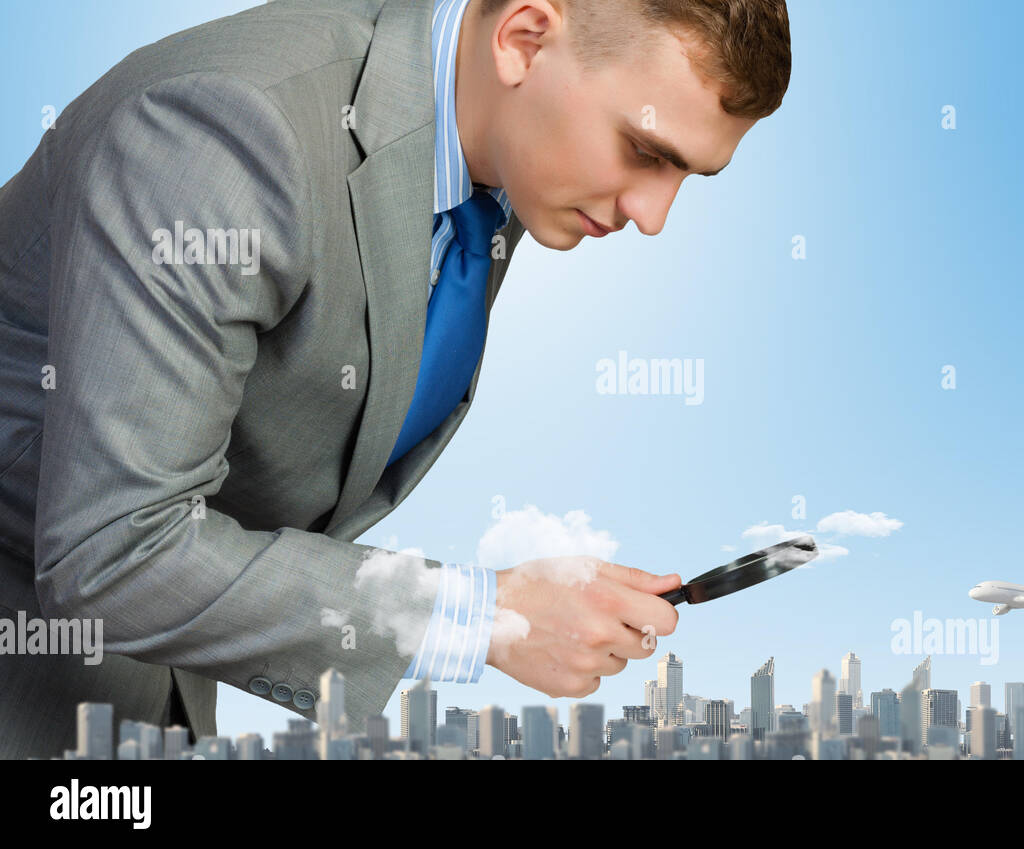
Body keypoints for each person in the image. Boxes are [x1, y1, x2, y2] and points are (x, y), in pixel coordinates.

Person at [0, 0, 791, 759]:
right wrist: (486, 617)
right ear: (523, 39)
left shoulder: (492, 141)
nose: (654, 215)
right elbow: (117, 548)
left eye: (690, 174)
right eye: (647, 152)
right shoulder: (223, 134)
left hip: (141, 687)